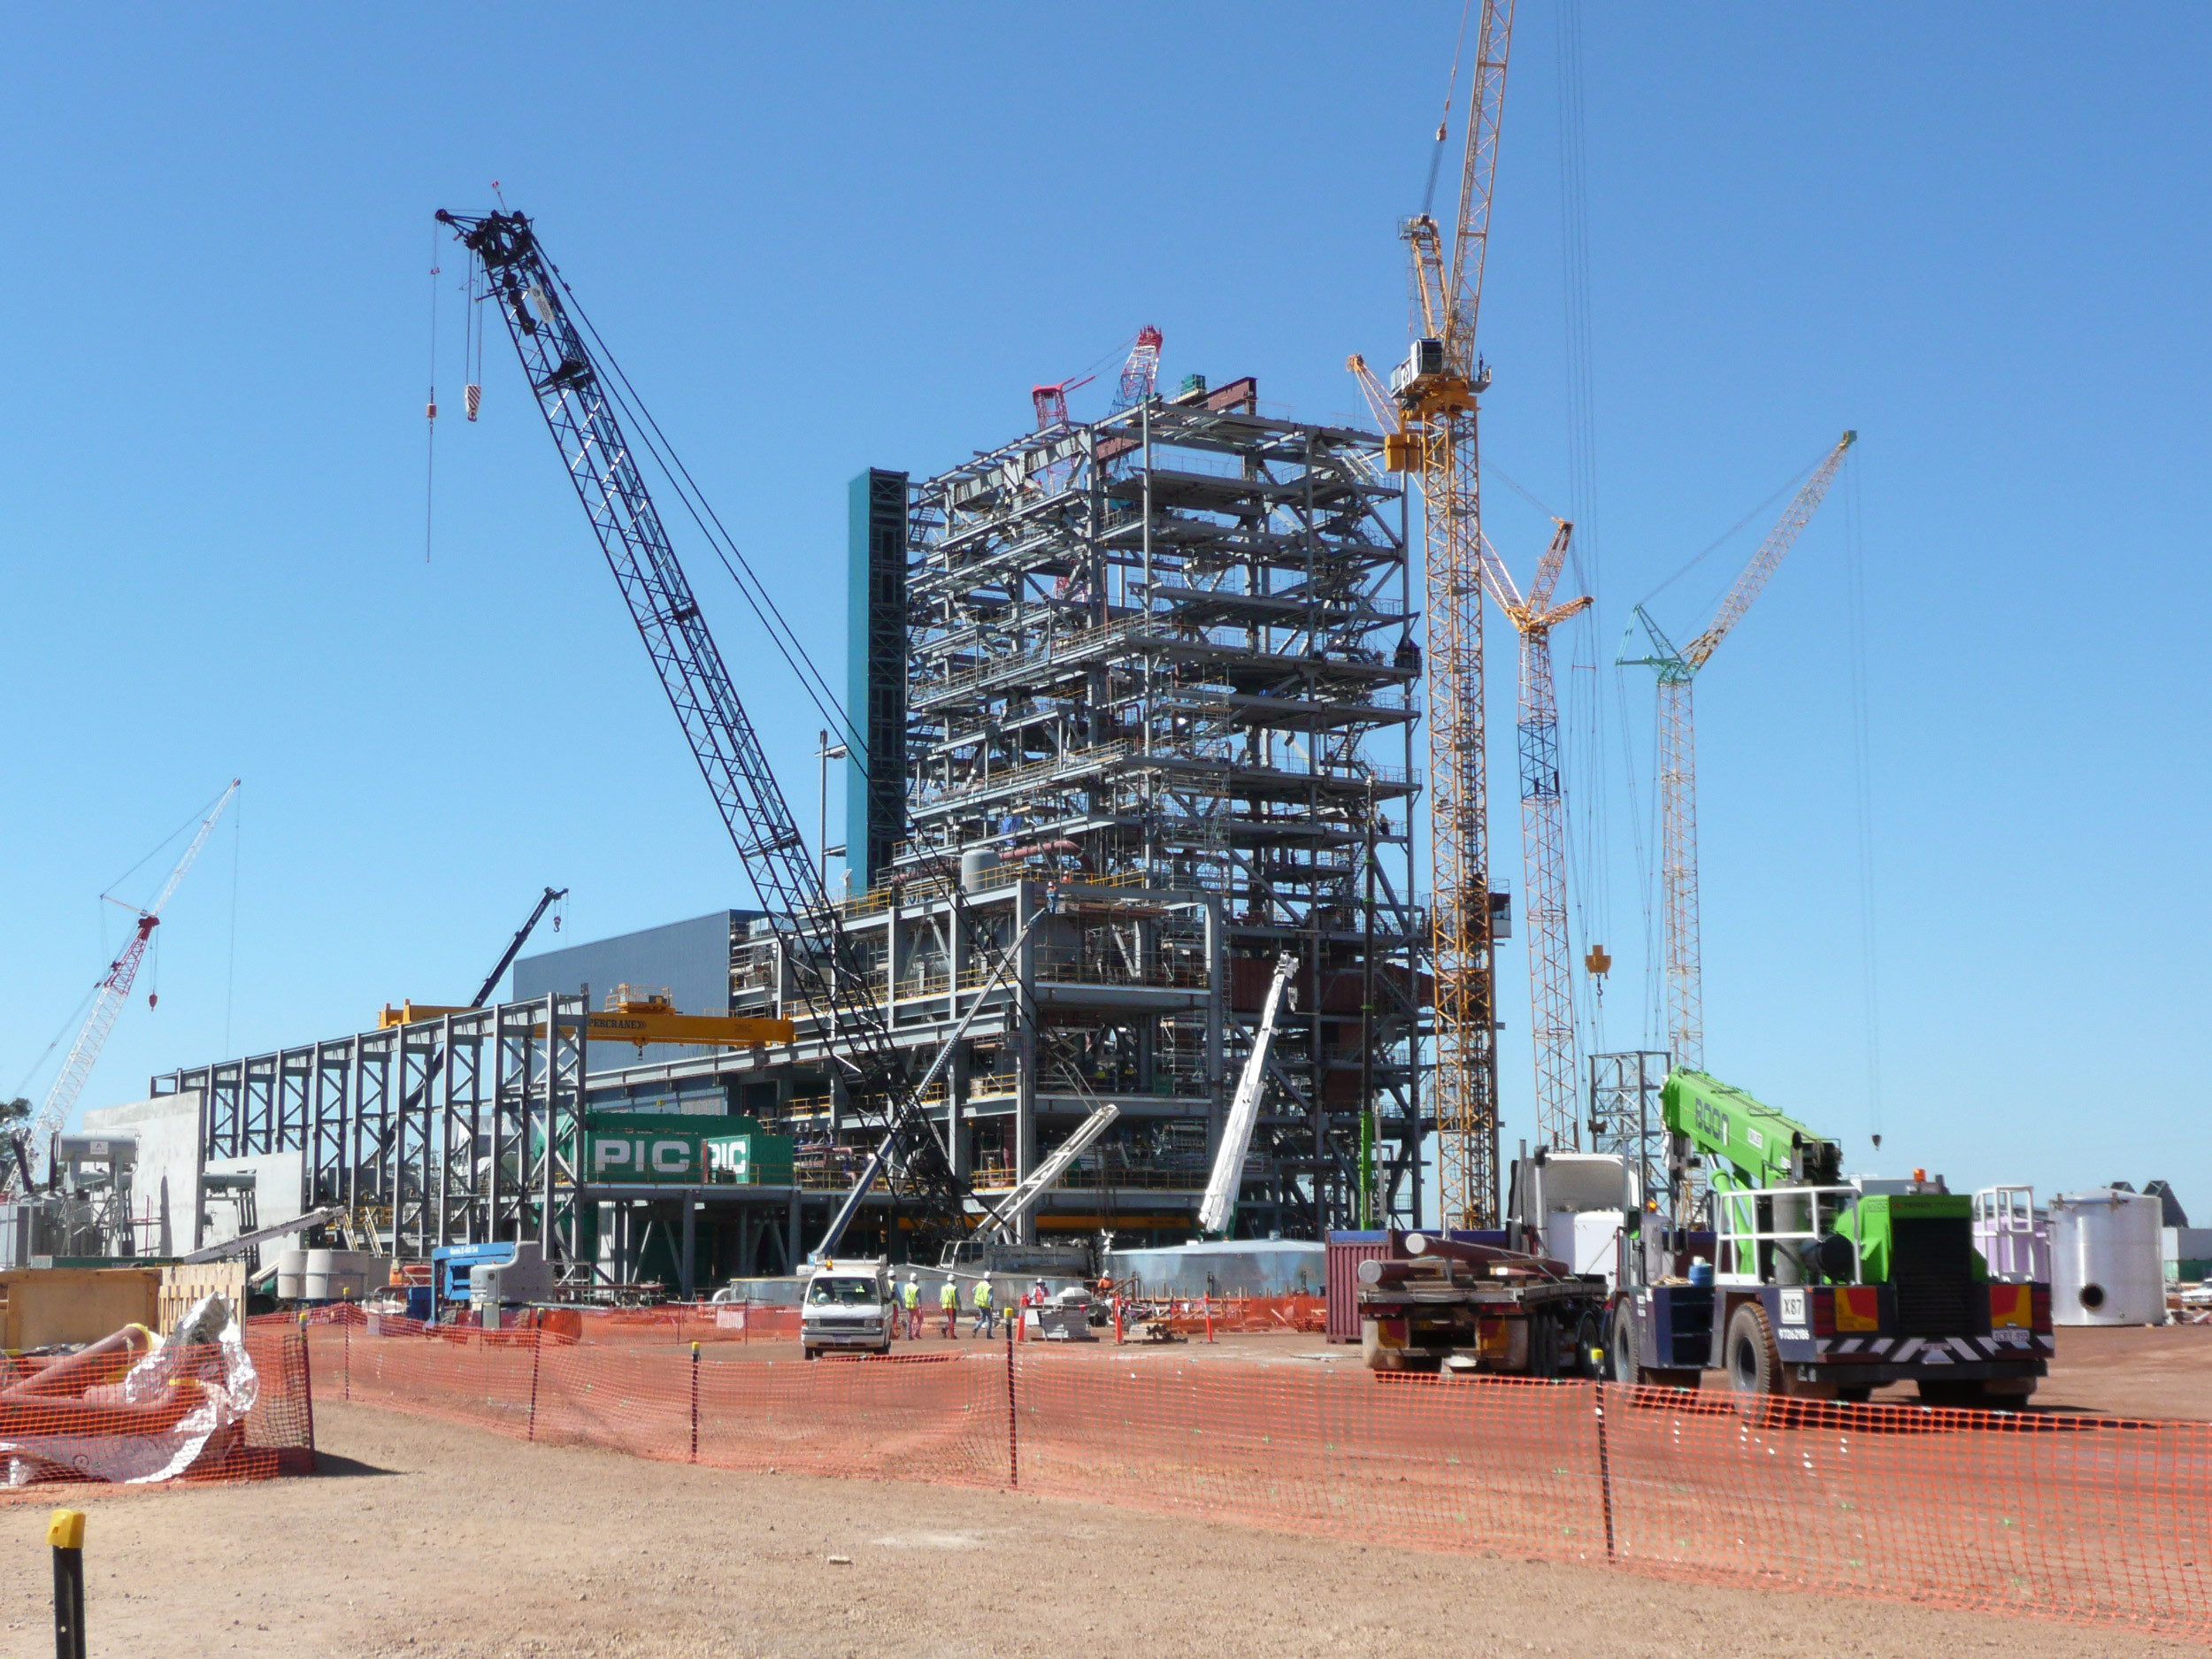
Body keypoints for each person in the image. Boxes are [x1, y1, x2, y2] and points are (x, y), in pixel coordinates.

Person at [972, 1275, 995, 1339]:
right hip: (986, 1305)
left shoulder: (980, 1284)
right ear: (990, 1279)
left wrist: (979, 1295)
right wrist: (992, 1307)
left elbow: (973, 1291)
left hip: (980, 1304)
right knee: (990, 1319)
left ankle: (976, 1328)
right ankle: (989, 1334)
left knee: (983, 1319)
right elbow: (990, 1299)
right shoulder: (989, 1287)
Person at [902, 1272, 922, 1340]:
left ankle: (909, 1335)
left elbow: (904, 1296)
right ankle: (916, 1332)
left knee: (910, 1320)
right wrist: (920, 1308)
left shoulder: (906, 1286)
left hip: (908, 1306)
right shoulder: (917, 1288)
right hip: (915, 1307)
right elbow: (919, 1299)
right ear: (916, 1280)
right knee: (920, 1319)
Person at [940, 1274, 959, 1338]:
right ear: (954, 1280)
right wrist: (960, 1306)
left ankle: (947, 1331)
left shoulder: (944, 1288)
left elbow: (941, 1298)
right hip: (952, 1306)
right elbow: (957, 1298)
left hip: (946, 1306)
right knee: (952, 1320)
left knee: (951, 1320)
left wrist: (942, 1307)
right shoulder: (954, 1288)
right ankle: (951, 1334)